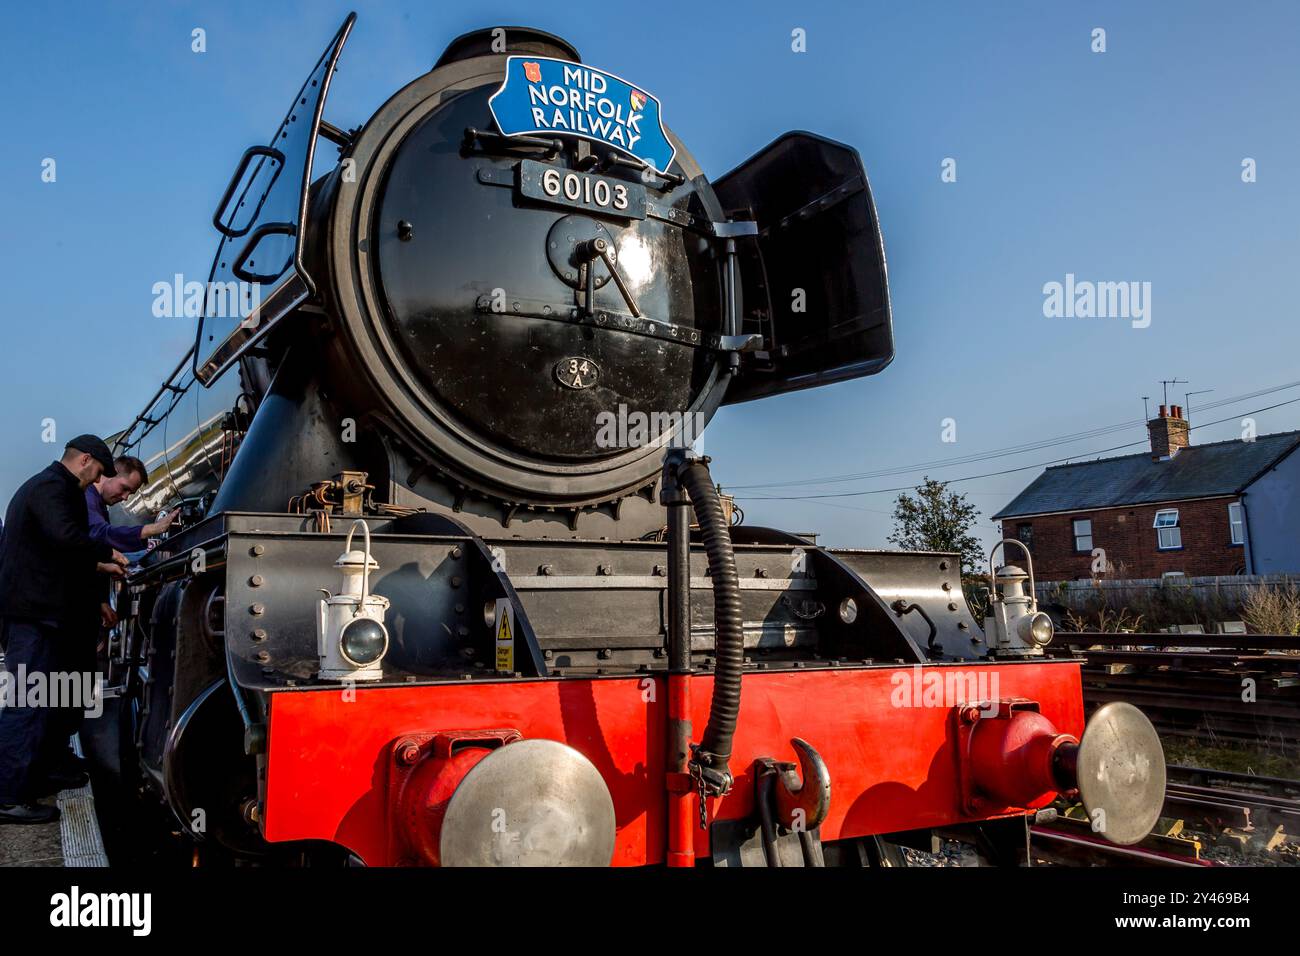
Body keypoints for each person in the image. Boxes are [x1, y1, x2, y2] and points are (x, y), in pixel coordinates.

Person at [0, 436, 128, 824]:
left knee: (47, 701)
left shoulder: (49, 487)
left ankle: (42, 771)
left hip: (42, 617)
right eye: (97, 475)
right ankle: (7, 797)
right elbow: (66, 538)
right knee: (26, 703)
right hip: (32, 619)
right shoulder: (50, 488)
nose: (95, 483)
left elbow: (59, 552)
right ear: (85, 459)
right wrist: (107, 554)